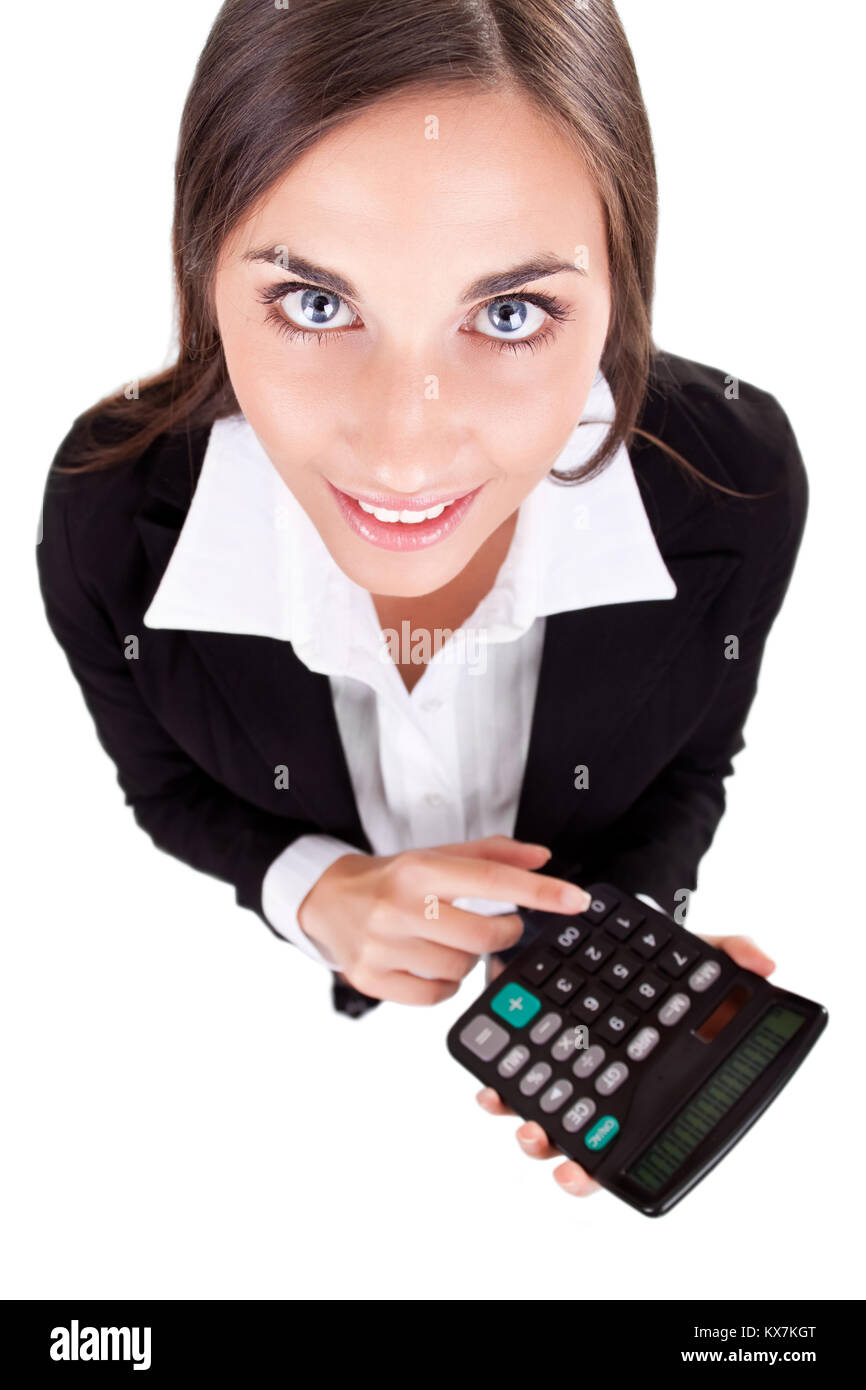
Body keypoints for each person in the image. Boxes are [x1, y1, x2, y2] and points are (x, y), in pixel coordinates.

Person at [36, 0, 805, 1200]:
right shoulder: (107, 511)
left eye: (509, 314)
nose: (401, 452)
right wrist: (311, 891)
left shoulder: (733, 484)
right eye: (313, 302)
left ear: (617, 292)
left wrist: (615, 931)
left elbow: (691, 764)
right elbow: (162, 787)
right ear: (200, 276)